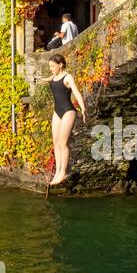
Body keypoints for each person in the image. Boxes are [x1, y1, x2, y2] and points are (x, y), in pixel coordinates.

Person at [46, 54, 87, 187]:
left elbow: (76, 92)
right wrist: (43, 79)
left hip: (68, 111)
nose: (51, 68)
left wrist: (83, 109)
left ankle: (63, 172)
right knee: (56, 142)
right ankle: (57, 171)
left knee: (63, 143)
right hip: (57, 112)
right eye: (49, 66)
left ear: (60, 65)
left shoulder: (67, 77)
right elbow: (51, 79)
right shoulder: (54, 76)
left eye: (52, 66)